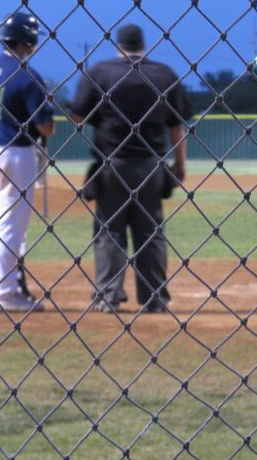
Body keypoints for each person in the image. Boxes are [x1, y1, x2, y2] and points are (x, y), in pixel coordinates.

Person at [70, 23, 193, 314]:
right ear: (144, 46)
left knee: (109, 231)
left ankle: (108, 296)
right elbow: (177, 127)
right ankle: (155, 299)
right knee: (150, 233)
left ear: (118, 46)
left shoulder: (100, 72)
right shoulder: (163, 73)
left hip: (112, 164)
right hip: (152, 165)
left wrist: (102, 116)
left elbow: (76, 117)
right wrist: (180, 164)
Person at [0, 11, 55, 313]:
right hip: (16, 155)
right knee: (11, 226)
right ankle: (8, 292)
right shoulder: (28, 75)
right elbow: (45, 127)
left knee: (6, 223)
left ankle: (13, 279)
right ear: (29, 39)